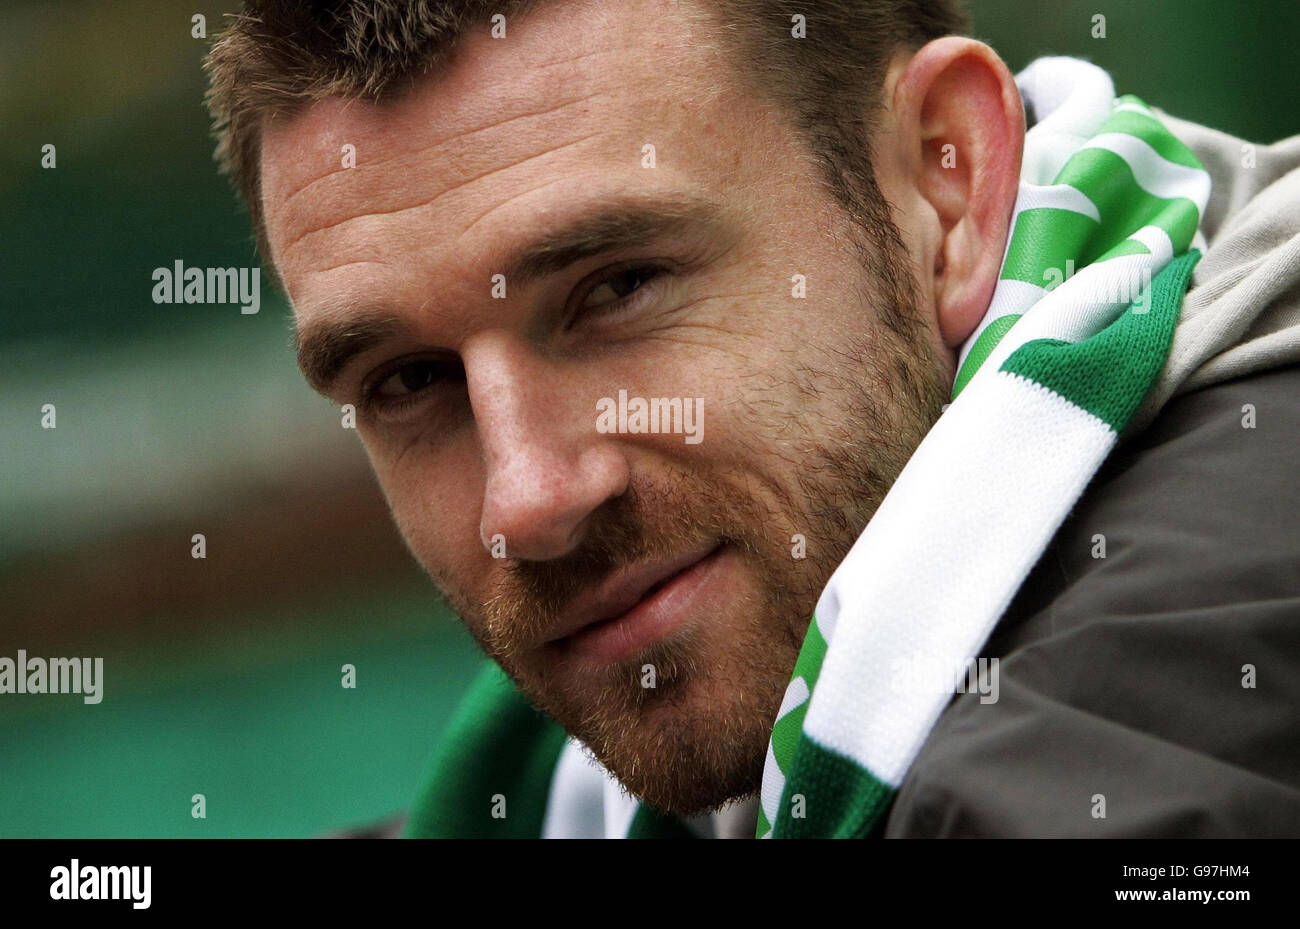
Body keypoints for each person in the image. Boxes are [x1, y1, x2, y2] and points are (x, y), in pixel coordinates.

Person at [204, 0, 1300, 837]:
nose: (528, 497)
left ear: (946, 185)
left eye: (617, 286)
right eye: (407, 381)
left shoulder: (1209, 627)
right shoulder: (575, 791)